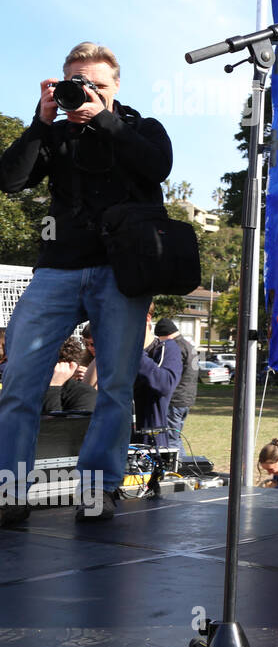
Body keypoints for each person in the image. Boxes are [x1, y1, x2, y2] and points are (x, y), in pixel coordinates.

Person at [0, 42, 171, 524]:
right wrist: (40, 121)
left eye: (96, 83)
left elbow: (157, 168)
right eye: (76, 81)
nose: (86, 91)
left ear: (116, 86)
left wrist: (103, 119)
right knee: (19, 379)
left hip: (122, 272)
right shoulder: (54, 136)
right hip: (57, 268)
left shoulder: (141, 129)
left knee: (116, 386)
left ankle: (100, 491)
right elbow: (10, 181)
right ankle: (11, 491)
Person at [135, 313, 182, 450]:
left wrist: (134, 351)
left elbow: (165, 384)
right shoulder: (117, 351)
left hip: (149, 443)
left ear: (146, 318)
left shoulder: (165, 348)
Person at [155, 318, 197, 442]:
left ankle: (179, 462)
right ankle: (181, 461)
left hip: (175, 399)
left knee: (171, 439)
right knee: (175, 436)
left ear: (165, 335)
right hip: (187, 398)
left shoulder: (175, 347)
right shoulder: (188, 345)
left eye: (159, 338)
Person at [41, 337, 97, 414]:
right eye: (86, 344)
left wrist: (54, 387)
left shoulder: (83, 394)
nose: (89, 347)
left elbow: (56, 424)